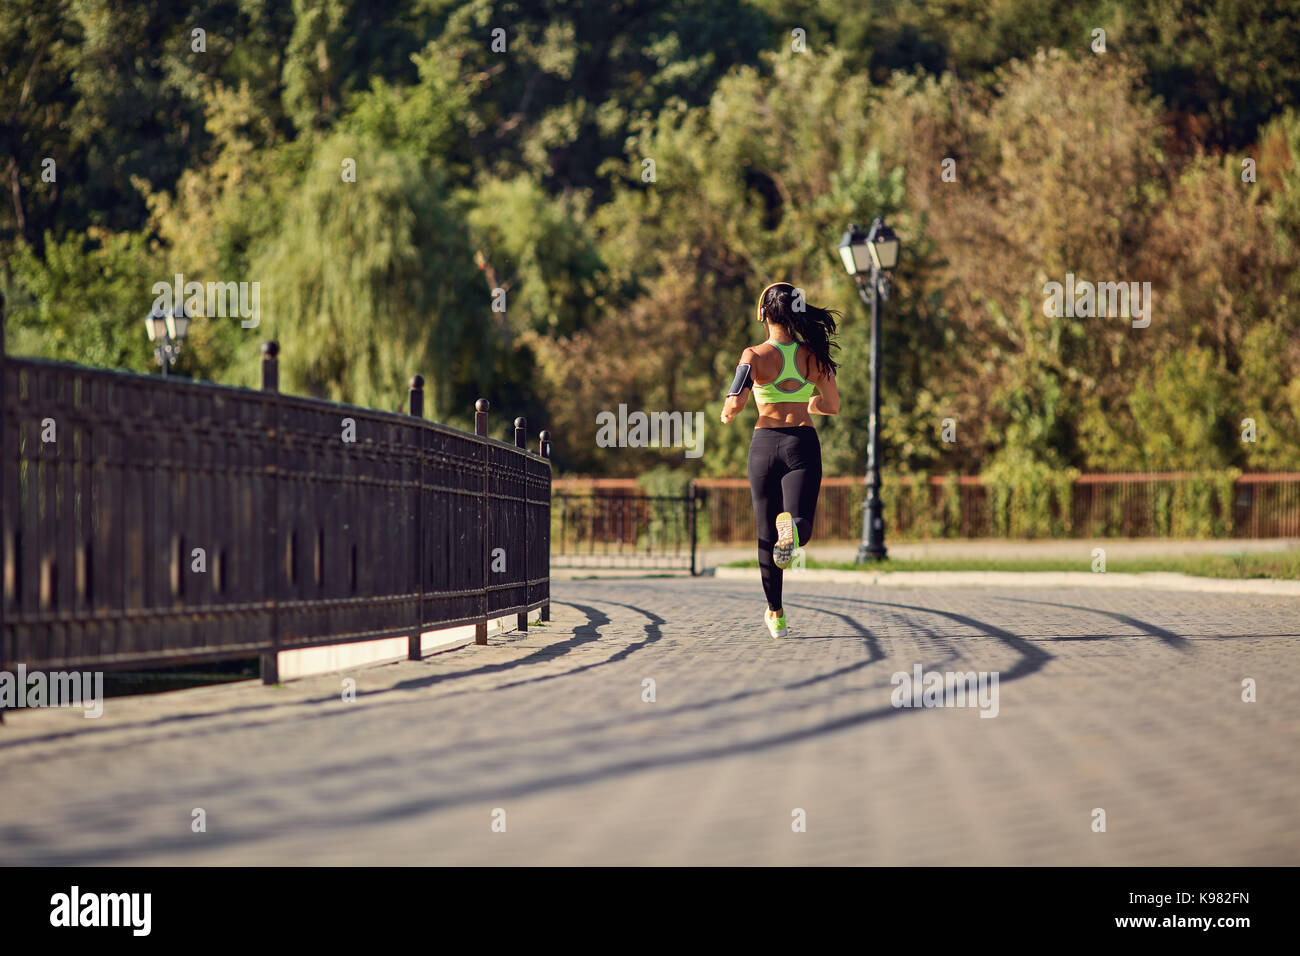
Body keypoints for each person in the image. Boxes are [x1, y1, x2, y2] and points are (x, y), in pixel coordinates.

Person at [720, 281, 841, 638]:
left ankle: (776, 613)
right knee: (798, 524)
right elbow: (832, 405)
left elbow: (736, 400)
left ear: (763, 315)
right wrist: (809, 404)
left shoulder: (753, 356)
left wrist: (728, 411)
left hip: (764, 444)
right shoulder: (812, 355)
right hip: (801, 442)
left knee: (764, 533)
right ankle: (792, 532)